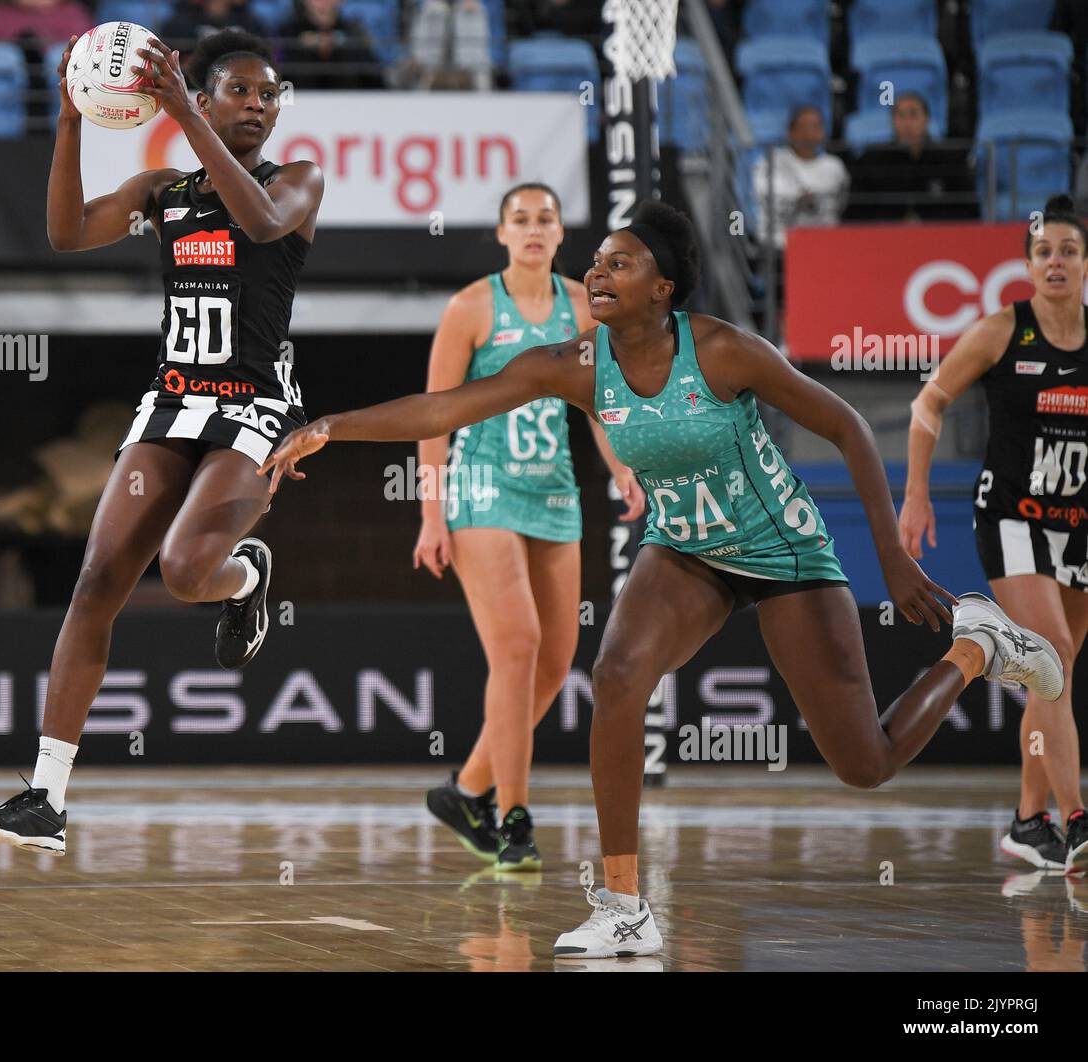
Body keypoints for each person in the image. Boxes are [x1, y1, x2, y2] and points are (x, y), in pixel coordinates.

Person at [260, 199, 1064, 958]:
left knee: (865, 763)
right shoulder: (576, 363)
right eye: (598, 261)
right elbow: (448, 408)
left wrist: (891, 558)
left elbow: (849, 426)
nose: (598, 274)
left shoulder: (720, 349)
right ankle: (623, 908)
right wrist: (331, 426)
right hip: (683, 547)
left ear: (664, 289)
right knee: (616, 675)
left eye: (620, 263)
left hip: (784, 554)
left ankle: (973, 644)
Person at [0, 29, 324, 856]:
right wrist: (68, 120)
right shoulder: (162, 189)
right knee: (95, 579)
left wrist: (179, 115)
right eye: (240, 90)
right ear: (202, 98)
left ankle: (244, 577)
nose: (260, 105)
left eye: (269, 94)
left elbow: (263, 224)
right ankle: (45, 800)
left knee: (184, 569)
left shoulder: (296, 182)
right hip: (172, 401)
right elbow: (65, 233)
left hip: (255, 407)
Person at [417, 182, 643, 872]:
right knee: (516, 646)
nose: (535, 228)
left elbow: (599, 402)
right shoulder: (472, 307)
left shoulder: (585, 305)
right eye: (522, 219)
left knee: (554, 660)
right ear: (502, 233)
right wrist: (431, 513)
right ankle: (512, 812)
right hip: (482, 488)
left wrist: (623, 468)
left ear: (560, 231)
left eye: (546, 217)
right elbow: (433, 417)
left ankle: (463, 789)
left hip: (554, 493)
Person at [900, 193, 1088, 874]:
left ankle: (1025, 822)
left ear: (1085, 260)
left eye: (1068, 249)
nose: (1056, 261)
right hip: (1010, 518)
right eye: (1044, 252)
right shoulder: (1003, 329)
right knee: (1055, 658)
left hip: (1077, 528)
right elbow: (929, 401)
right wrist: (917, 493)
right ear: (1029, 266)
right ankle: (1077, 822)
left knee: (1049, 679)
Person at [844, 92, 976, 222]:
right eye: (900, 116)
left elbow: (969, 211)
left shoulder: (951, 160)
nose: (907, 124)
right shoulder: (871, 161)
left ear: (927, 119)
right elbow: (855, 213)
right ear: (892, 122)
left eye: (913, 115)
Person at [753, 104, 848, 251]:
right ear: (790, 132)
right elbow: (765, 203)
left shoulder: (834, 166)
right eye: (803, 127)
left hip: (825, 244)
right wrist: (796, 202)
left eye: (816, 127)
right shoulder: (770, 162)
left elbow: (841, 203)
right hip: (782, 243)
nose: (809, 134)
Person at [275, 0, 384, 89]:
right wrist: (305, 48)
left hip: (349, 103)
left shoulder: (354, 31)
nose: (323, 3)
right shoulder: (288, 32)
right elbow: (278, 77)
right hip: (300, 102)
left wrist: (339, 47)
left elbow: (374, 77)